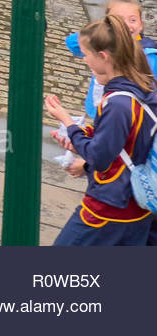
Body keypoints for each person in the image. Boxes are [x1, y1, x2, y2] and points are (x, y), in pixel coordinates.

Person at [47, 13, 157, 246]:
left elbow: (100, 157)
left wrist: (68, 123)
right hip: (137, 207)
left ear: (103, 56)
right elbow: (125, 141)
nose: (85, 60)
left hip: (110, 208)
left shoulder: (117, 103)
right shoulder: (143, 88)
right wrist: (81, 135)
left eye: (86, 55)